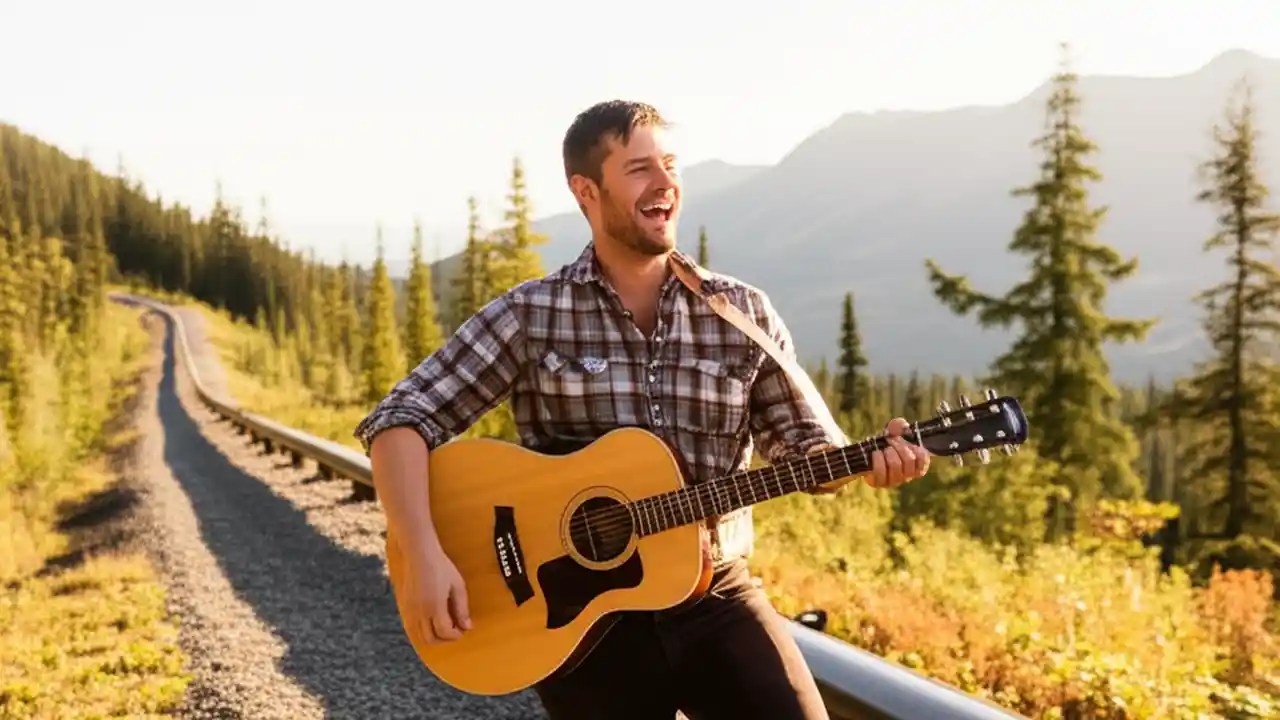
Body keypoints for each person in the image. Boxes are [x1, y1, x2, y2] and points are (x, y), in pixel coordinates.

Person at [353, 99, 931, 720]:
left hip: (716, 595)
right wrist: (422, 555)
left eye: (670, 164)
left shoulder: (743, 313)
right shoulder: (532, 314)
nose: (665, 184)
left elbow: (806, 447)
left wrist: (865, 461)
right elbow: (399, 420)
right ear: (586, 192)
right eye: (638, 169)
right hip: (577, 621)